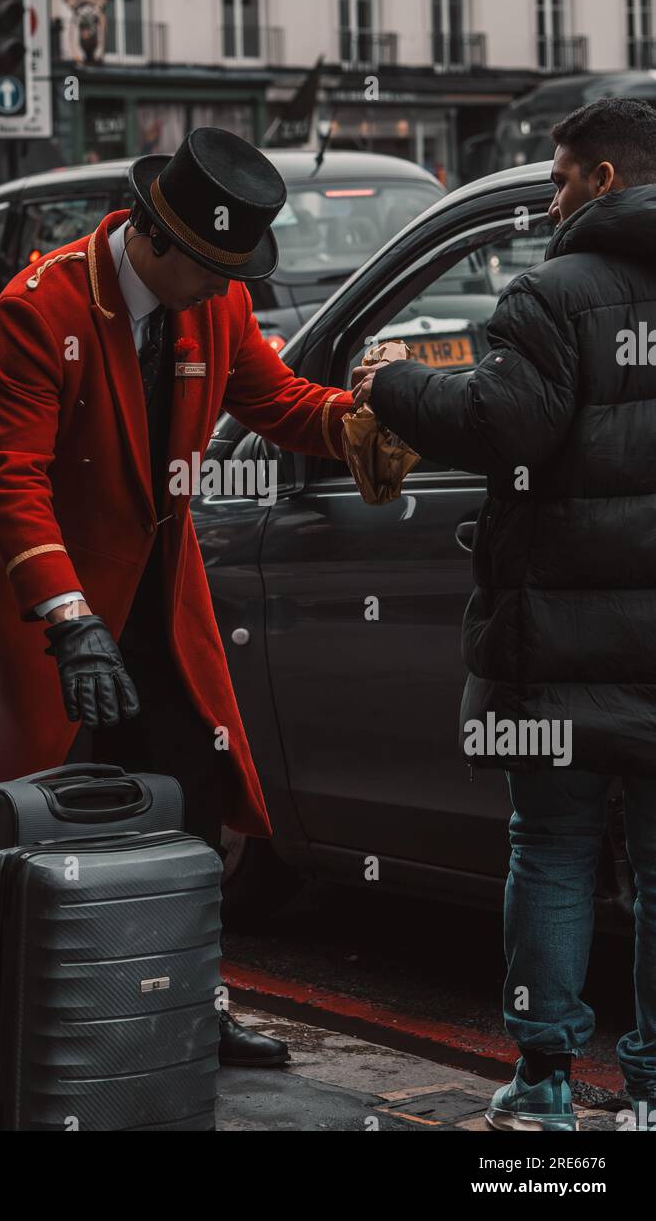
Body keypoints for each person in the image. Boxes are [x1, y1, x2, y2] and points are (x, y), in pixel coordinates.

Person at [0, 128, 356, 1067]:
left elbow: (280, 402)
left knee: (191, 791)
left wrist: (375, 419)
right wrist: (71, 625)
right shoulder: (39, 307)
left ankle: (191, 1002)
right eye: (213, 268)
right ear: (156, 236)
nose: (232, 289)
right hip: (40, 611)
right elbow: (9, 481)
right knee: (19, 817)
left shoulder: (217, 301)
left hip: (154, 595)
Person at [352, 97, 656, 1131]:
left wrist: (394, 386)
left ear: (604, 181)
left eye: (562, 176)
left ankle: (544, 1082)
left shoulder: (551, 295)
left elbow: (499, 423)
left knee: (553, 848)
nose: (550, 196)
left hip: (553, 644)